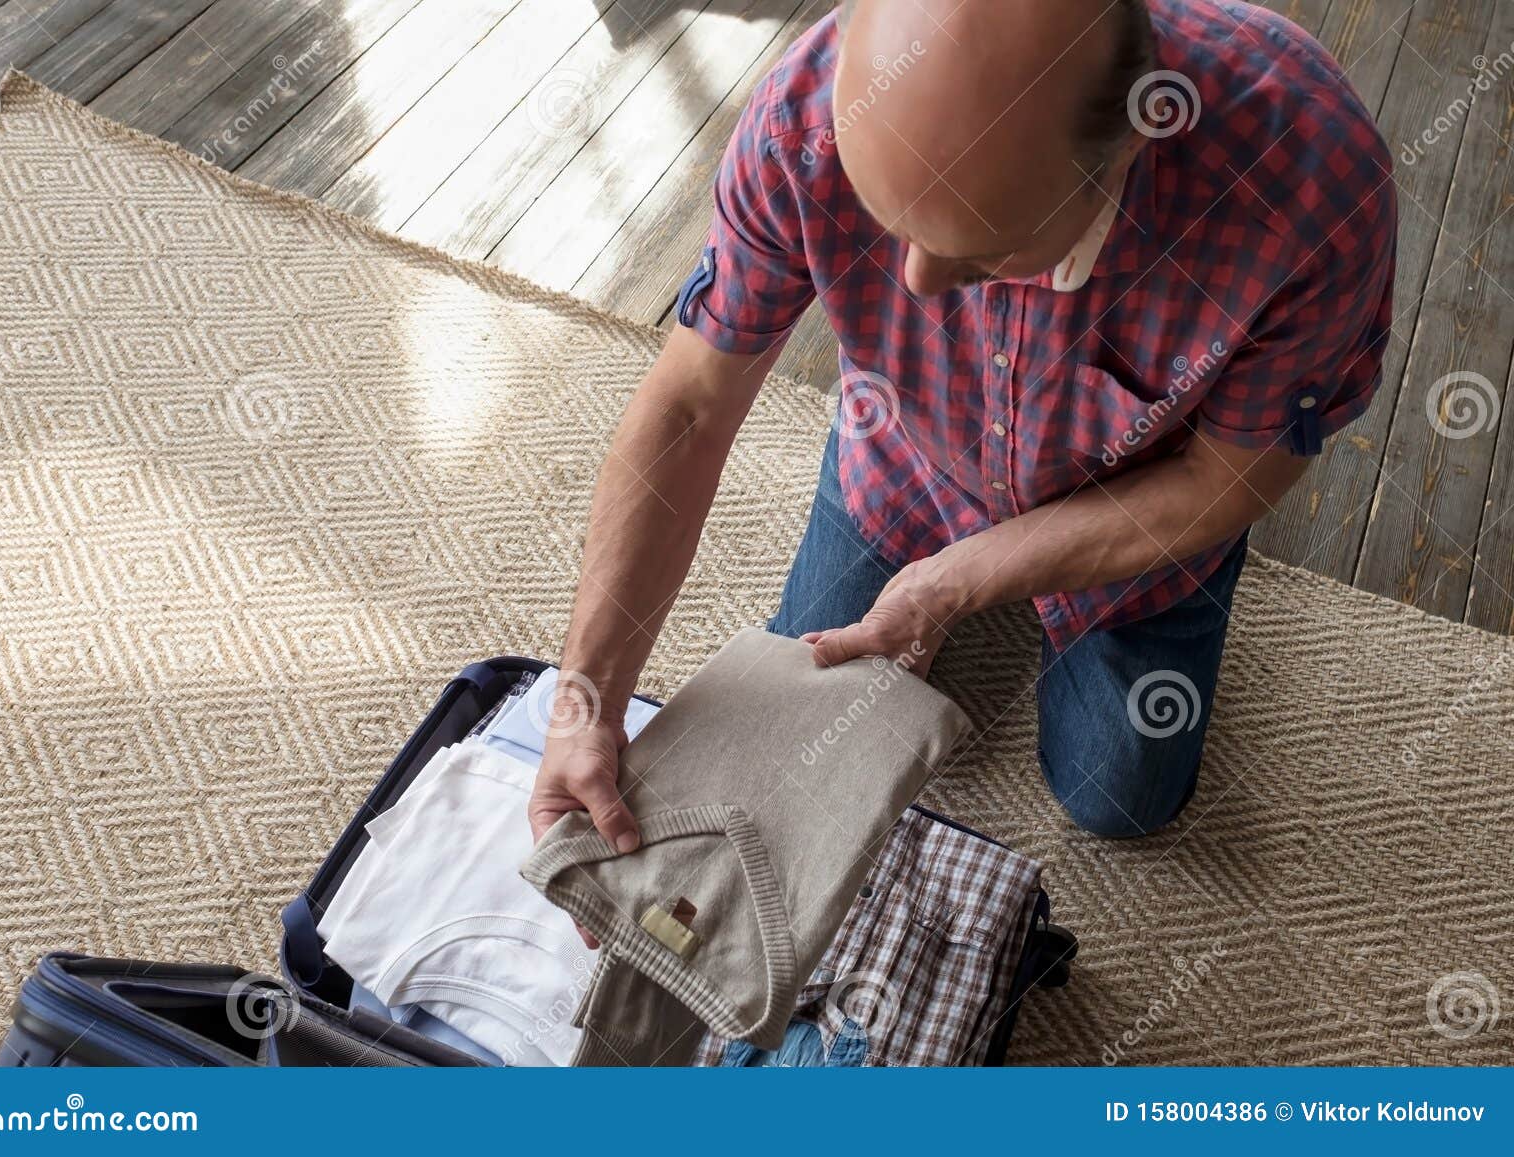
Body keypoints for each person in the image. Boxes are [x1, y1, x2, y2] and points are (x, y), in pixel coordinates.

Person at [528, 0, 1396, 872]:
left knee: (1120, 795)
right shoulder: (804, 112)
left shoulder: (1311, 183)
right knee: (800, 722)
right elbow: (689, 408)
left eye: (982, 254)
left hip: (1141, 499)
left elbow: (1226, 479)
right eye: (888, 217)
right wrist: (585, 703)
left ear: (1130, 145)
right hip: (904, 458)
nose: (916, 280)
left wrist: (948, 586)